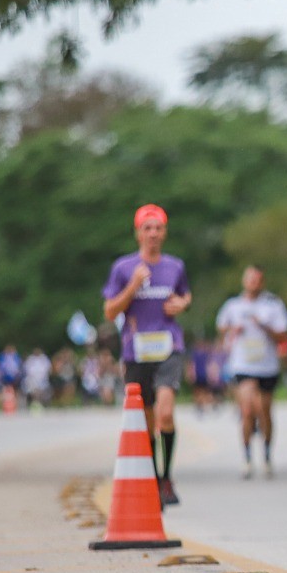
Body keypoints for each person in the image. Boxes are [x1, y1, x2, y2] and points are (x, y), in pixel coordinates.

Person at [103, 204, 192, 506]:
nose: (153, 234)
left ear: (165, 233)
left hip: (169, 348)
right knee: (147, 419)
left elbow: (185, 294)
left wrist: (182, 304)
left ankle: (166, 477)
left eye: (158, 228)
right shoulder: (123, 268)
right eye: (147, 228)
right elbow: (110, 310)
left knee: (165, 414)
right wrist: (133, 287)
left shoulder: (175, 266)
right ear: (138, 233)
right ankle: (153, 478)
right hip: (136, 351)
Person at [217, 265, 287, 479]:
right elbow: (222, 327)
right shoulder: (233, 305)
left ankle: (266, 454)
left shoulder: (273, 305)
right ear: (244, 281)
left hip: (266, 366)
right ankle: (247, 457)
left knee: (264, 410)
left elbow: (283, 336)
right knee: (248, 409)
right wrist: (233, 330)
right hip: (242, 365)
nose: (253, 283)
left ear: (262, 282)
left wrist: (264, 326)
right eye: (250, 279)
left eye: (257, 280)